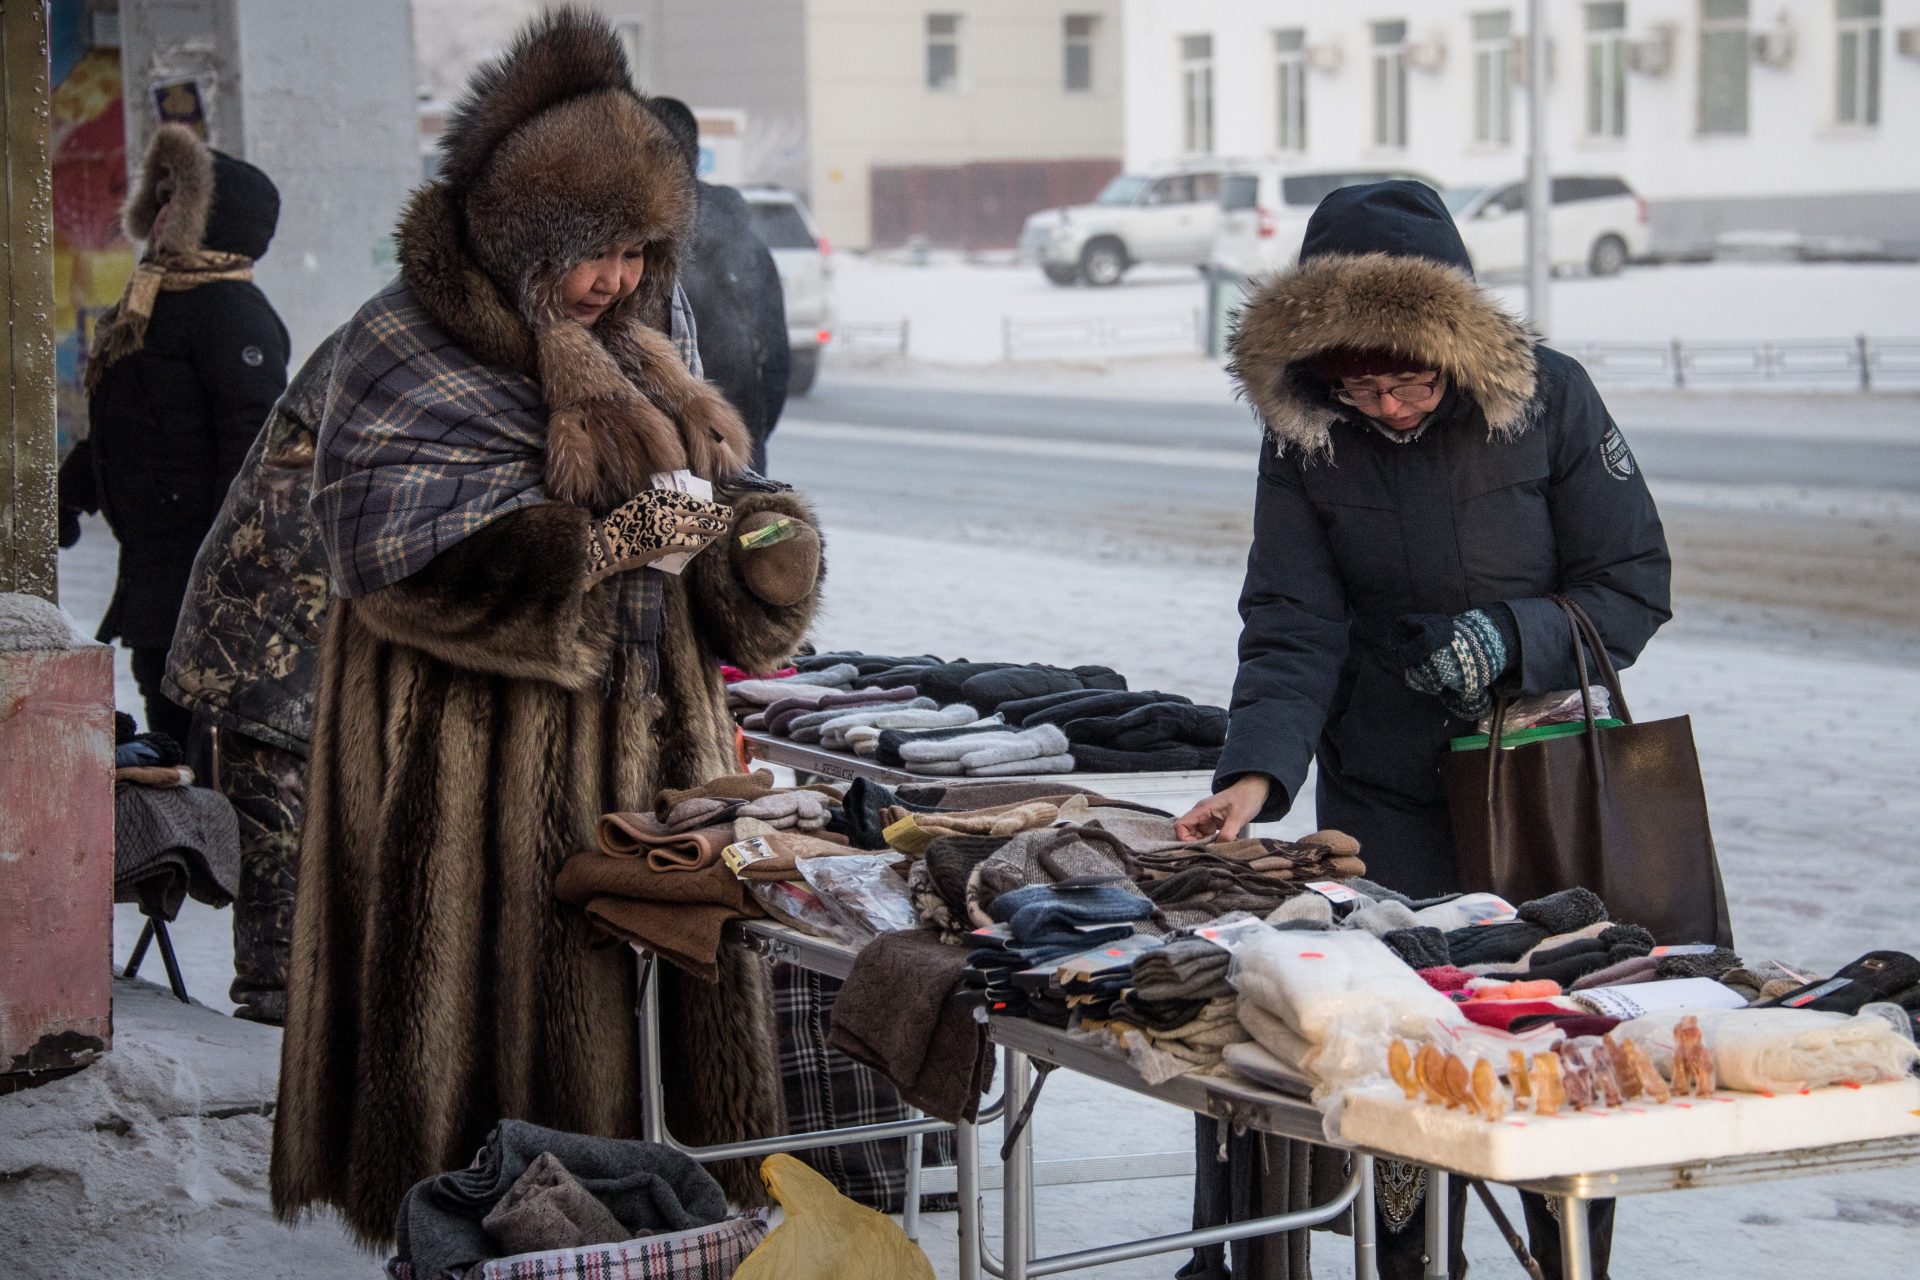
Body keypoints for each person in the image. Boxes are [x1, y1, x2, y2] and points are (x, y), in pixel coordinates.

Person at [270, 10, 824, 1244]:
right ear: (522, 238)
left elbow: (715, 512)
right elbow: (382, 555)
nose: (623, 278)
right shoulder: (398, 343)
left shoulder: (647, 344)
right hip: (462, 771)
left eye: (641, 249)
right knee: (484, 1077)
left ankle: (640, 1242)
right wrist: (594, 547)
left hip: (650, 759)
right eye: (598, 250)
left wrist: (761, 550)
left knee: (648, 1089)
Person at [1175, 181, 1669, 1279]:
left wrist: (1511, 636)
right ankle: (1409, 1262)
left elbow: (1632, 584)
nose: (1389, 406)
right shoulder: (1308, 438)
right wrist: (1254, 776)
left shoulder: (1554, 401)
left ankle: (1566, 1256)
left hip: (1542, 795)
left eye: (1406, 377)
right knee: (1399, 1050)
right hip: (1384, 796)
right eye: (1360, 385)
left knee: (1551, 1041)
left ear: (1449, 337)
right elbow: (1294, 618)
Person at [62, 123, 289, 745]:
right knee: (163, 716)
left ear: (211, 220)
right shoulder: (148, 306)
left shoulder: (230, 311)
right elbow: (132, 429)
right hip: (154, 574)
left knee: (204, 739)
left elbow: (253, 440)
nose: (161, 216)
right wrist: (71, 490)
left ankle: (215, 842)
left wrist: (226, 559)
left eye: (175, 202)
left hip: (203, 575)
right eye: (157, 200)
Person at [163, 331, 342, 1025]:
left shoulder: (385, 346)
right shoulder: (399, 352)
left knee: (284, 841)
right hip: (268, 632)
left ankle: (288, 1004)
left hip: (268, 622)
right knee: (279, 848)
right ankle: (277, 1015)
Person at [645, 95, 791, 472]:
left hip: (660, 465)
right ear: (695, 152)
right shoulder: (745, 239)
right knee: (752, 531)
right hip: (739, 450)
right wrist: (751, 436)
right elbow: (776, 361)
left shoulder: (631, 243)